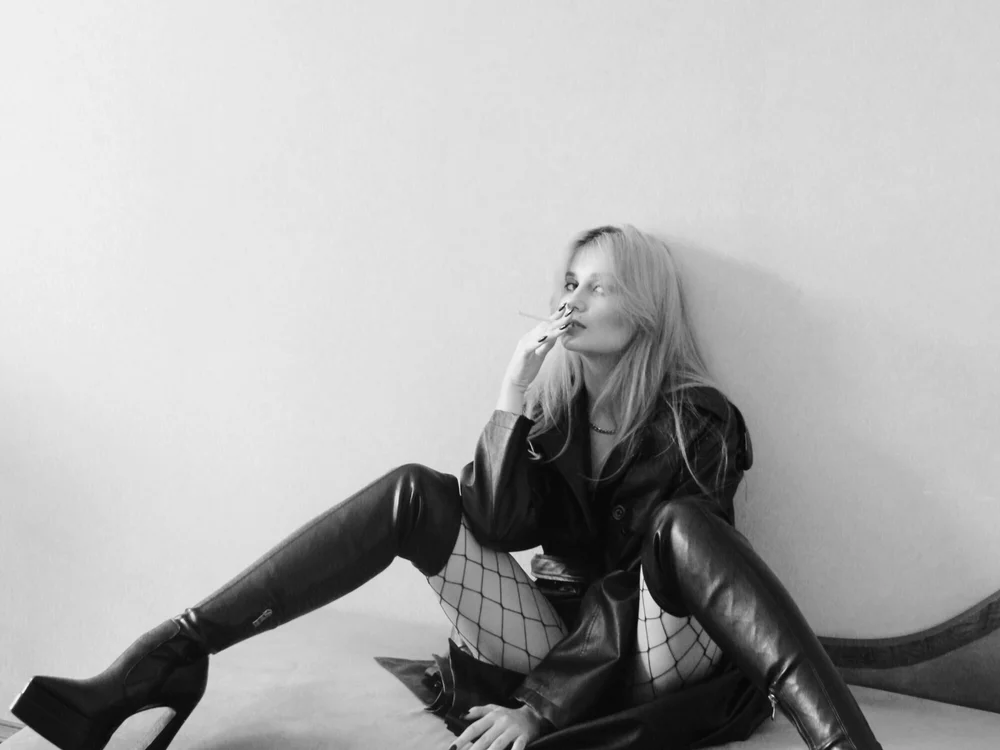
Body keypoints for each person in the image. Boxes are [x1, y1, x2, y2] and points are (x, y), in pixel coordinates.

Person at [10, 225, 882, 750]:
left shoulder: (700, 418)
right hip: (564, 641)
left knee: (680, 529)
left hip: (663, 658)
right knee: (414, 493)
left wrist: (541, 708)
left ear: (645, 308)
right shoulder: (554, 413)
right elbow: (496, 526)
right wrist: (511, 398)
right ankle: (168, 655)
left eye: (601, 284)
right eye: (569, 282)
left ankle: (844, 741)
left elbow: (648, 582)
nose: (575, 298)